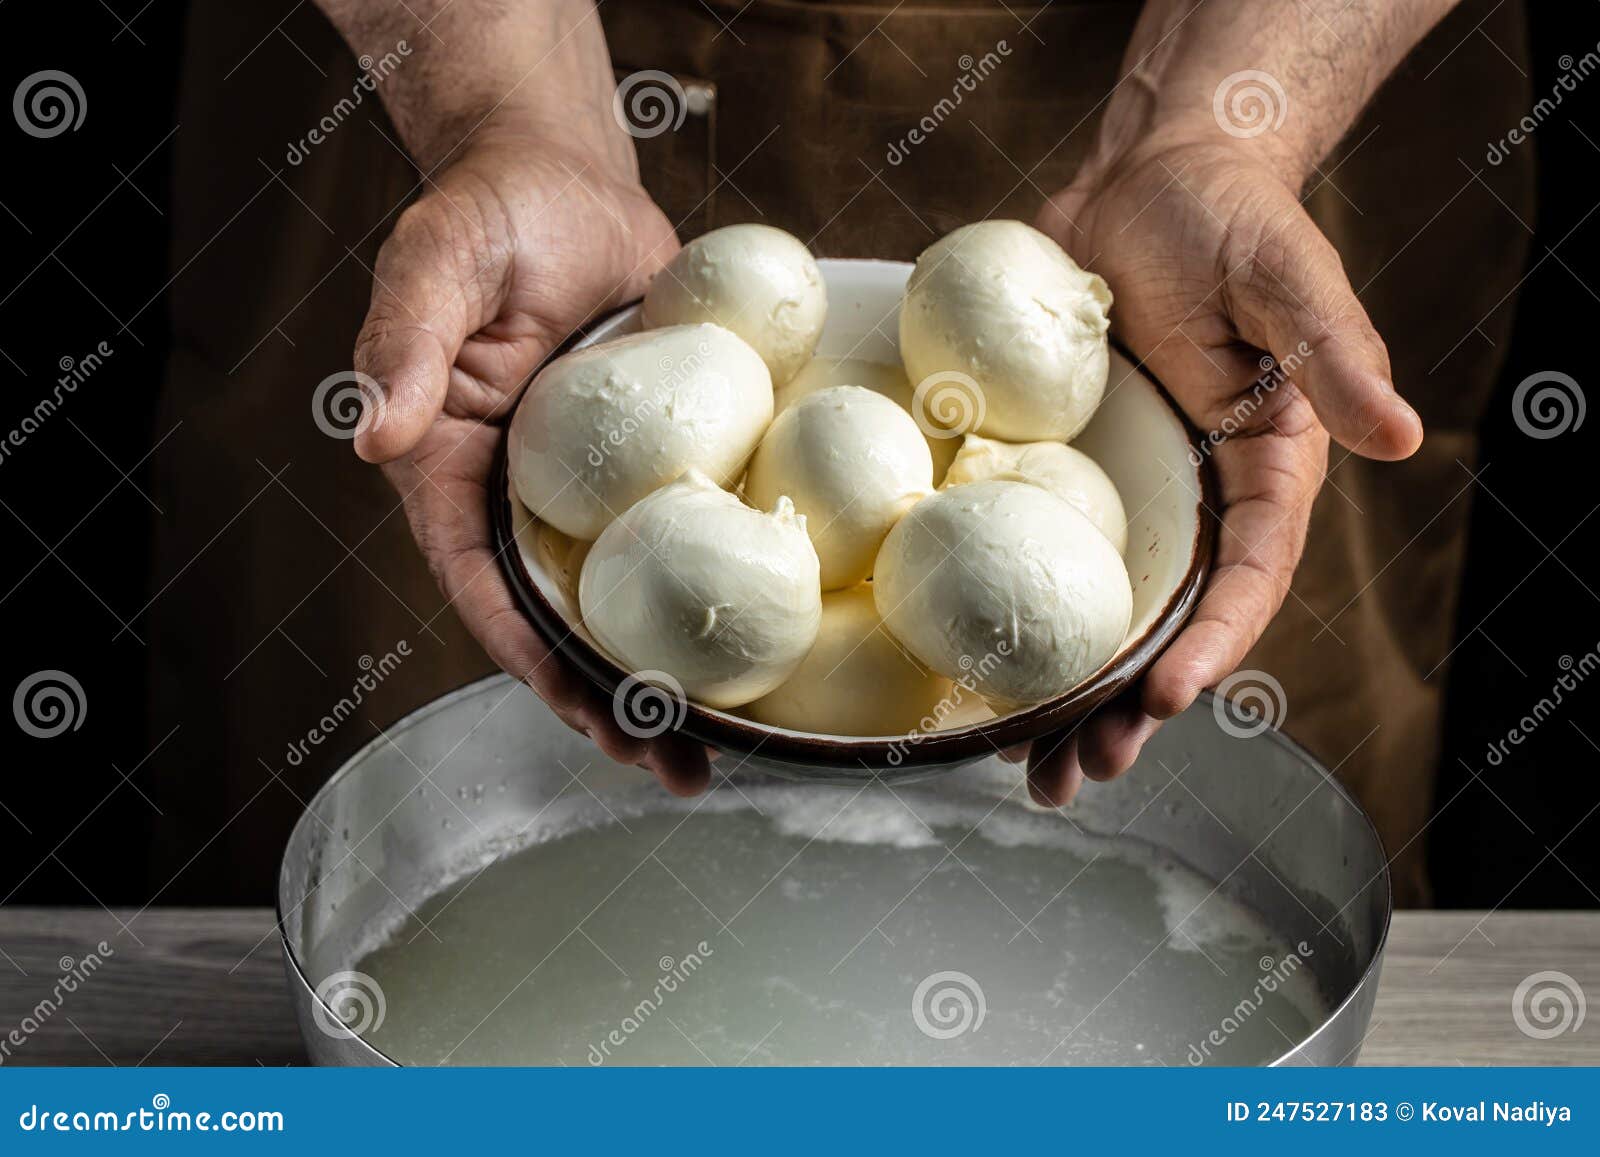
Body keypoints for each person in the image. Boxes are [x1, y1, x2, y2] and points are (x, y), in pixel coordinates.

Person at [148, 0, 1531, 906]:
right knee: (423, 869)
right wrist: (499, 110)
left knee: (1188, 882)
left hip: (1205, 133)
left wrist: (1230, 118)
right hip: (449, 78)